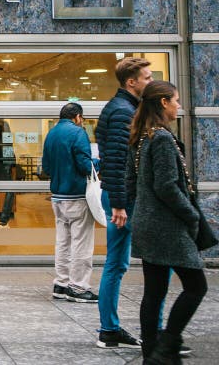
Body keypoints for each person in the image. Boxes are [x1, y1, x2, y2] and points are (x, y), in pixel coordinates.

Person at [126, 81, 207, 363]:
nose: (179, 106)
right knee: (197, 286)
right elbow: (167, 185)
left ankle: (152, 354)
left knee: (155, 291)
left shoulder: (140, 137)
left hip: (147, 223)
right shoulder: (160, 138)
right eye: (176, 100)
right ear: (163, 103)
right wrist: (190, 214)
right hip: (166, 225)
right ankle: (168, 344)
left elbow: (131, 182)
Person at [94, 57, 152, 349]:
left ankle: (110, 328)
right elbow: (116, 162)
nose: (150, 82)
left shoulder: (121, 108)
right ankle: (110, 329)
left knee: (117, 263)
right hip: (122, 197)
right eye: (147, 78)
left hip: (121, 195)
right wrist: (119, 205)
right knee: (116, 264)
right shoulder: (122, 112)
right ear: (132, 82)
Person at [42, 102, 99, 303]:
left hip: (57, 197)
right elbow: (85, 165)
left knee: (63, 242)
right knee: (81, 243)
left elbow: (46, 167)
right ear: (77, 117)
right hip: (76, 195)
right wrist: (98, 162)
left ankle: (61, 283)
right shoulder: (78, 133)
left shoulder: (51, 134)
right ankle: (78, 286)